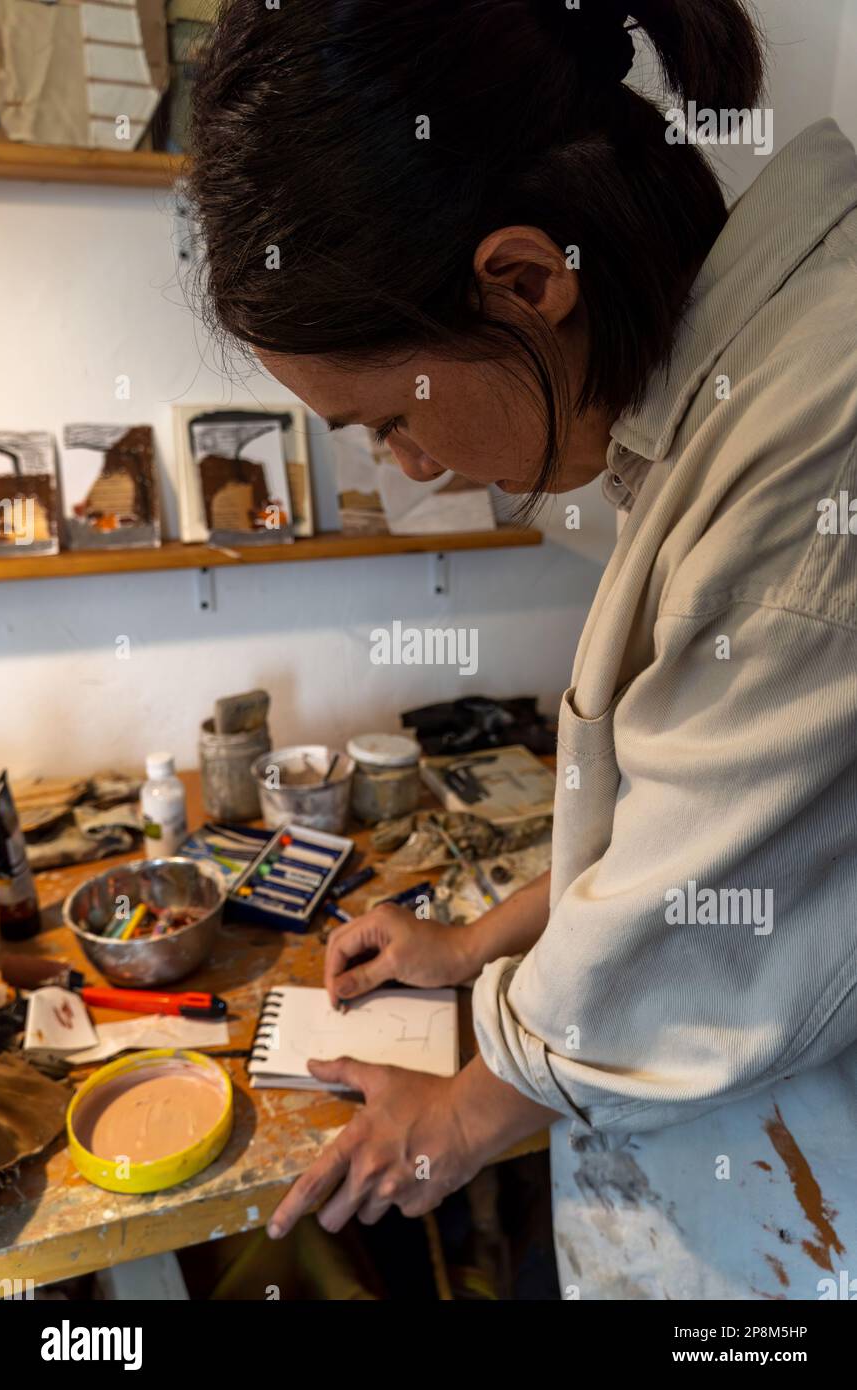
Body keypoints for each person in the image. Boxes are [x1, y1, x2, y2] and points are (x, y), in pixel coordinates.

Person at [188, 0, 857, 1298]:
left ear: (524, 282)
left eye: (390, 418)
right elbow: (697, 819)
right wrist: (474, 940)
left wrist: (448, 1114)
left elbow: (693, 933)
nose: (413, 469)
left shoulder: (810, 447)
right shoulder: (721, 388)